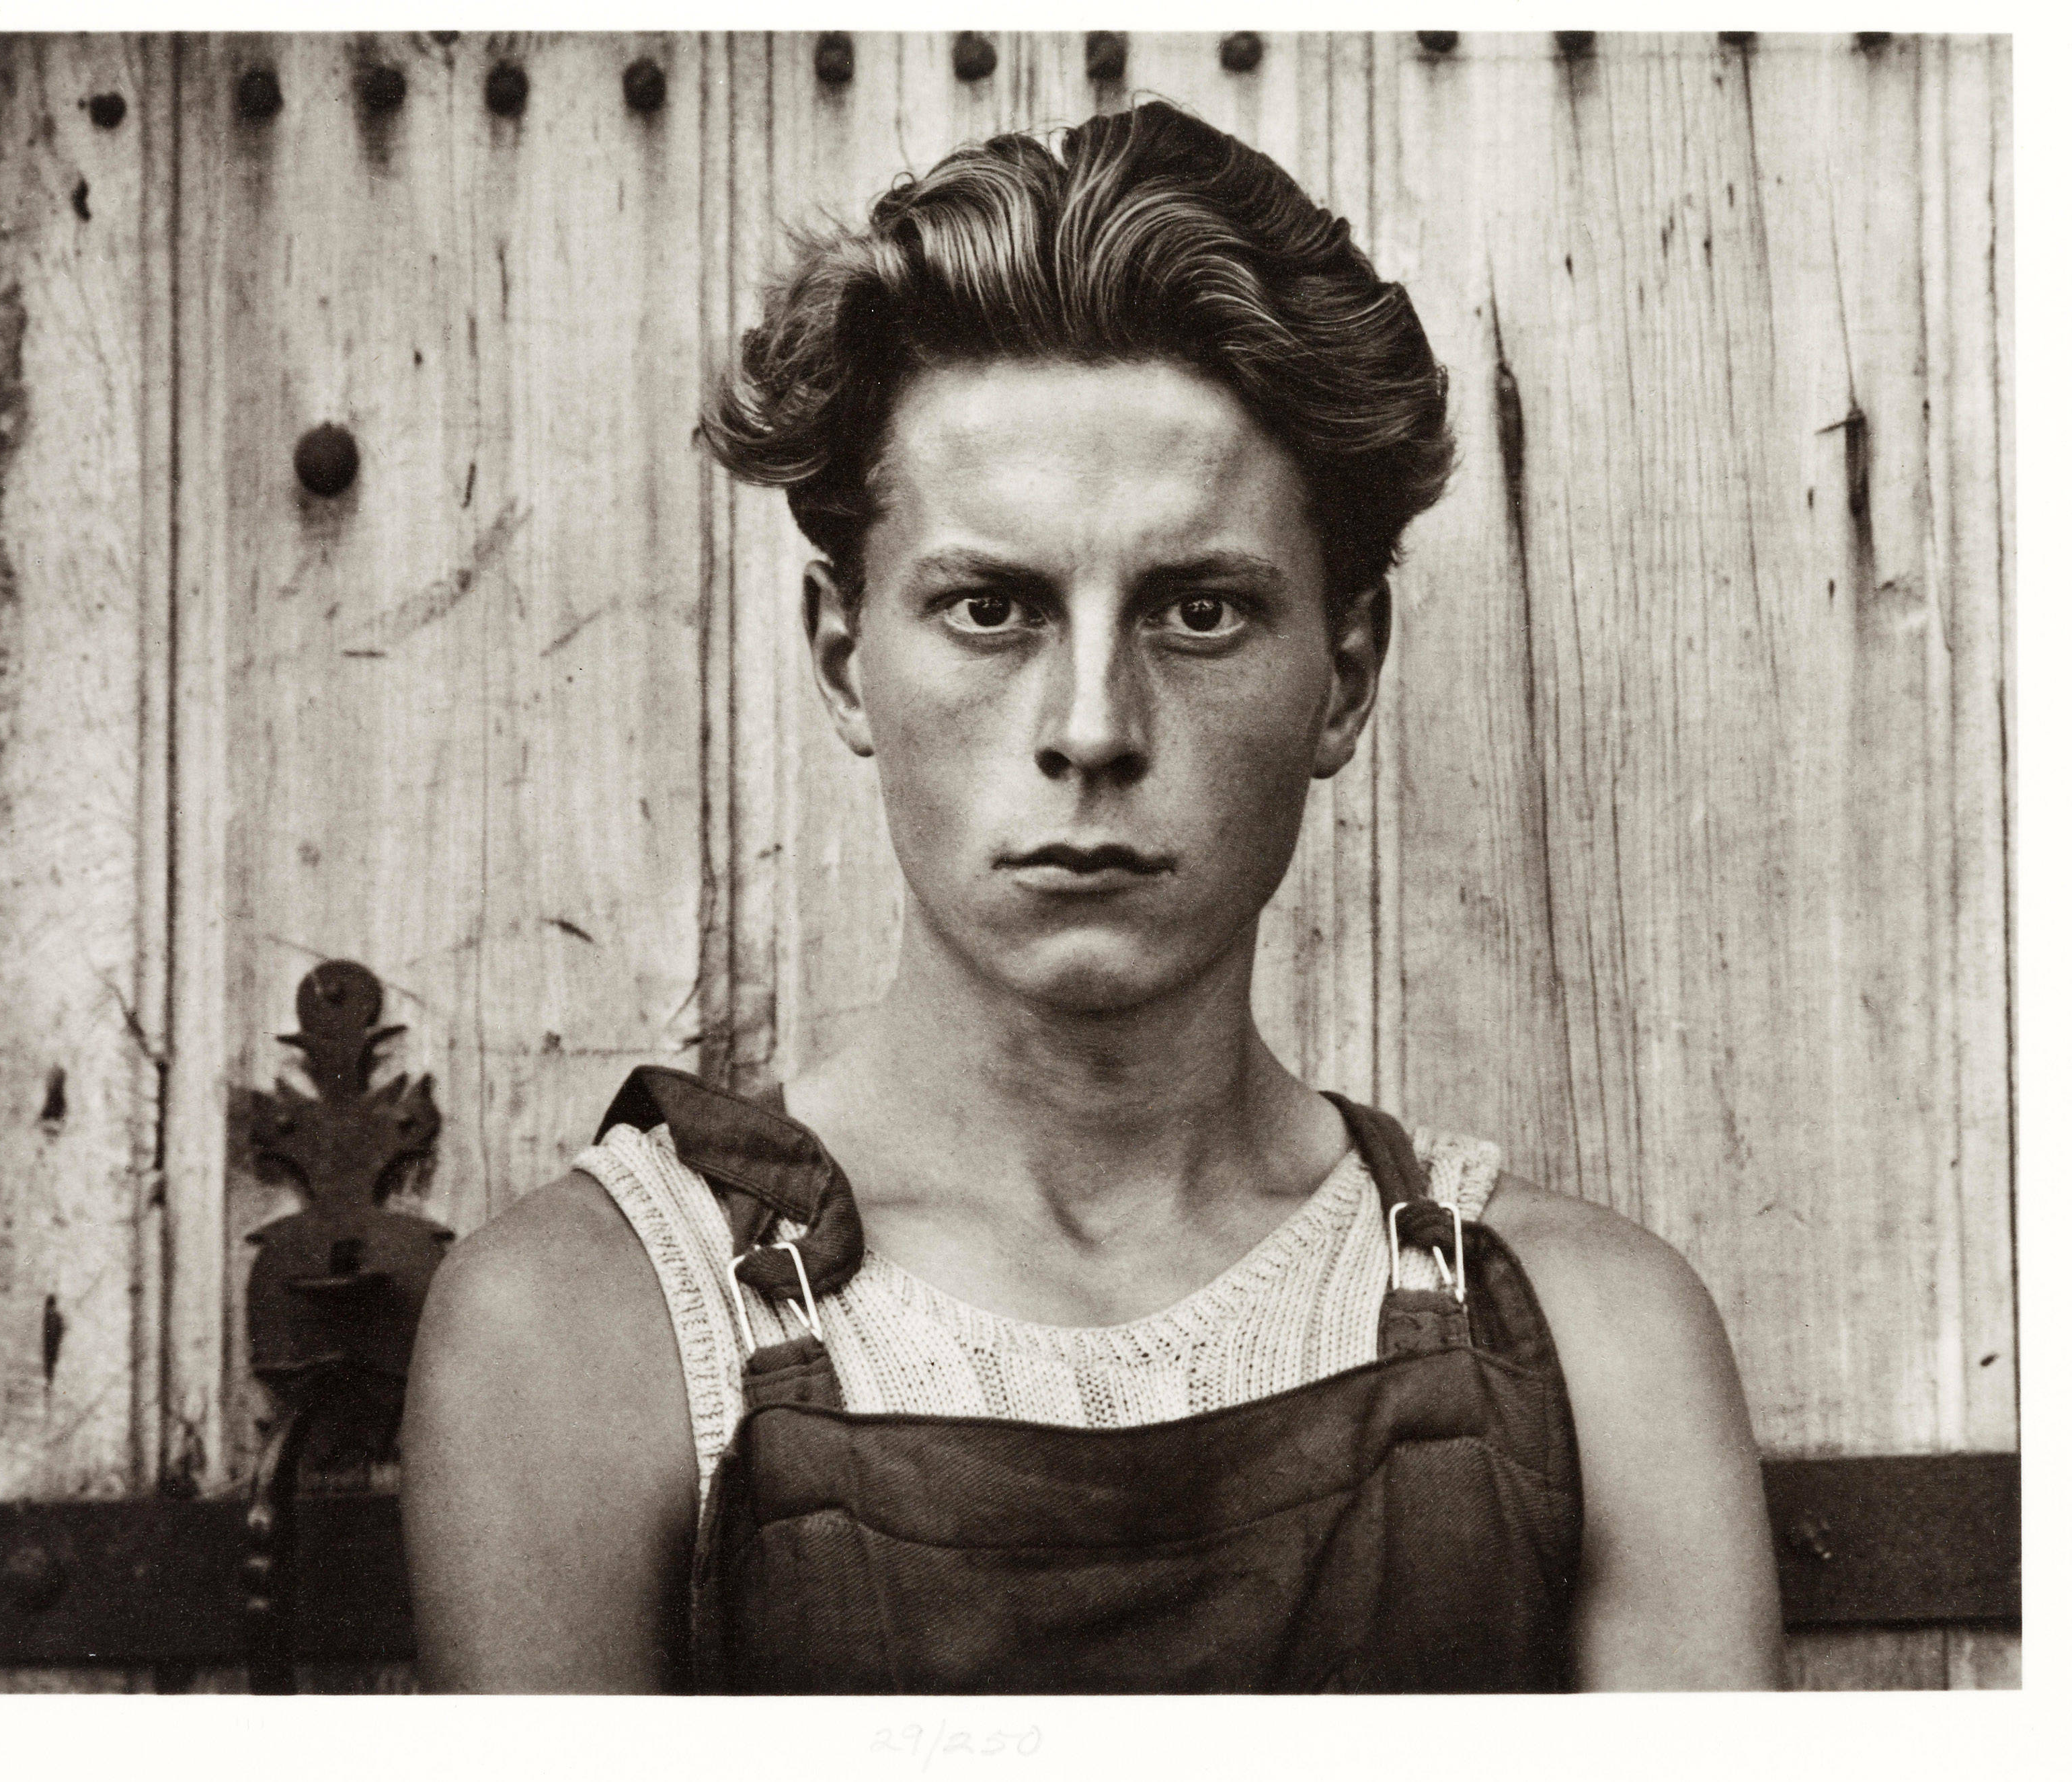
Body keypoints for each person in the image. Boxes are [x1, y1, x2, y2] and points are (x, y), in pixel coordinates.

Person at [399, 100, 1784, 1693]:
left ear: (1344, 676)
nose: (1092, 727)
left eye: (1199, 612)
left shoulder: (1593, 1341)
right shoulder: (588, 1332)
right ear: (843, 658)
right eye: (991, 608)